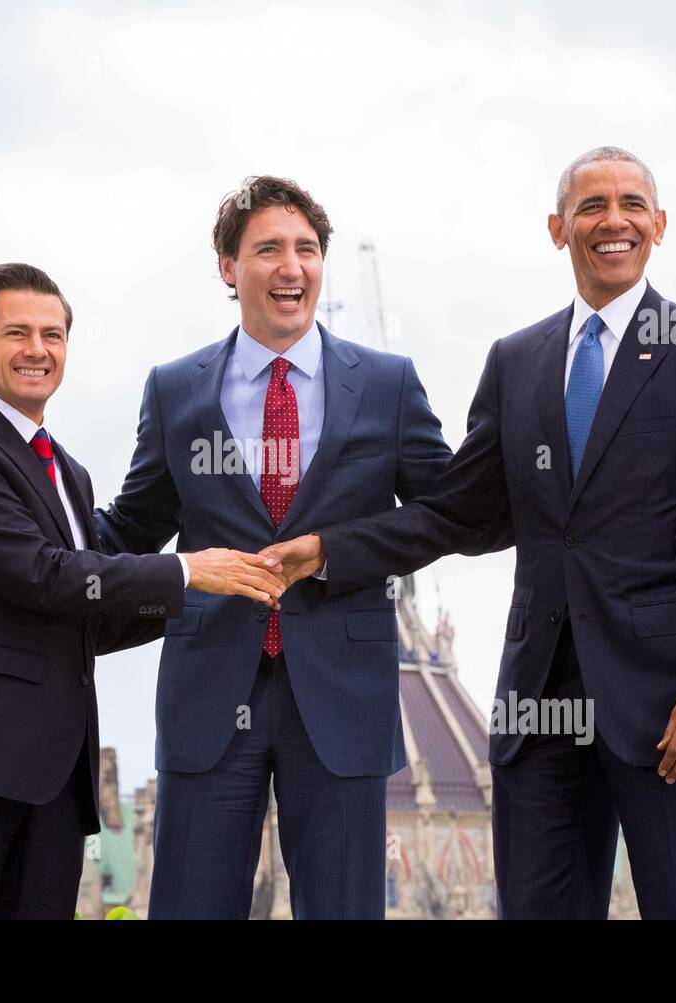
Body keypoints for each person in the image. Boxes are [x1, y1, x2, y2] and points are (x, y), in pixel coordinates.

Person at [268, 148, 676, 919]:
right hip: (537, 711)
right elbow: (459, 512)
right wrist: (330, 551)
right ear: (557, 228)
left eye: (632, 204)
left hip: (670, 710)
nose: (614, 221)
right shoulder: (518, 361)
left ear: (659, 225)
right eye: (592, 205)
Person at [94, 177, 466, 919]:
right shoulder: (176, 391)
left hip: (343, 699)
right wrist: (31, 544)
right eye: (268, 249)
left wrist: (330, 550)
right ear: (230, 269)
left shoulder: (387, 385)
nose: (292, 266)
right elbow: (131, 529)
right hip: (209, 696)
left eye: (306, 249)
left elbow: (449, 513)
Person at [0, 263, 284, 919]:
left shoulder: (68, 471)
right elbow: (43, 575)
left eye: (53, 335)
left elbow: (86, 614)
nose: (38, 350)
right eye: (17, 333)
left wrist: (222, 584)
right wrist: (189, 570)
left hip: (54, 783)